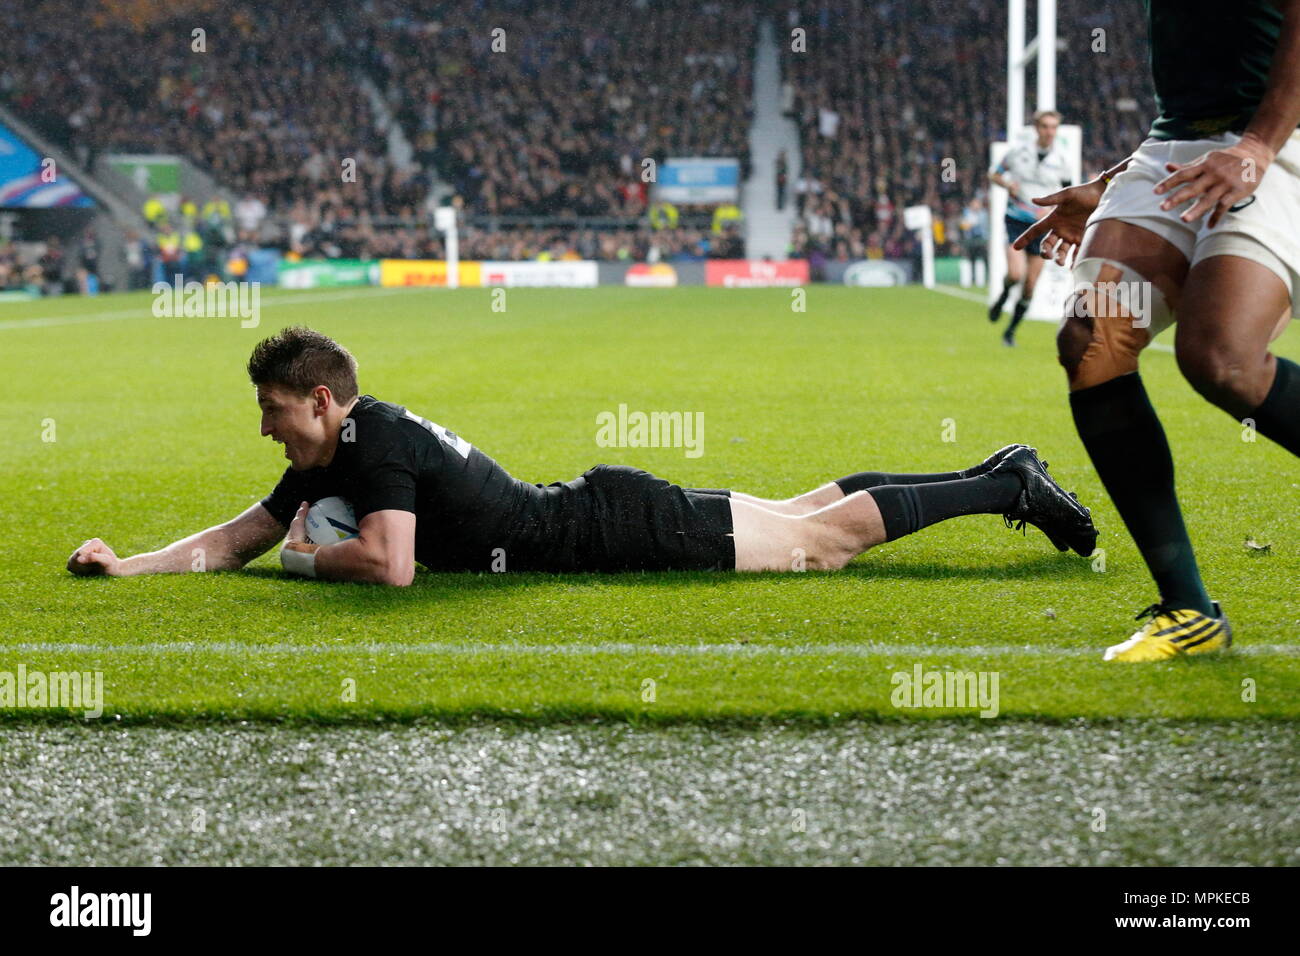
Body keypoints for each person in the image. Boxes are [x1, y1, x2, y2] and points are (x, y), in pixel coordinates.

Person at [67, 328, 1096, 584]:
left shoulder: (369, 447)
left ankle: (1005, 484)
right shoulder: (339, 448)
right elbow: (239, 534)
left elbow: (390, 563)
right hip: (606, 507)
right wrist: (132, 566)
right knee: (805, 505)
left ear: (322, 400)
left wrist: (309, 558)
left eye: (274, 409)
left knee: (820, 543)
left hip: (616, 526)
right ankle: (1001, 470)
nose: (266, 427)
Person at [1014, 0, 1300, 661]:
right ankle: (1188, 610)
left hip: (1280, 139)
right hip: (1171, 147)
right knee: (1091, 343)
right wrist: (1112, 181)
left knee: (1221, 359)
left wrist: (1257, 147)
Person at [988, 110, 1073, 345]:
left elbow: (1068, 194)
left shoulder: (1062, 160)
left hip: (1043, 225)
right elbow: (995, 174)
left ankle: (1010, 332)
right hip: (1016, 220)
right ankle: (1003, 295)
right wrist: (1007, 184)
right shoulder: (1018, 153)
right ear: (1036, 128)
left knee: (1029, 287)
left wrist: (1057, 211)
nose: (1049, 132)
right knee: (1015, 274)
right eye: (1045, 126)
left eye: (1054, 127)